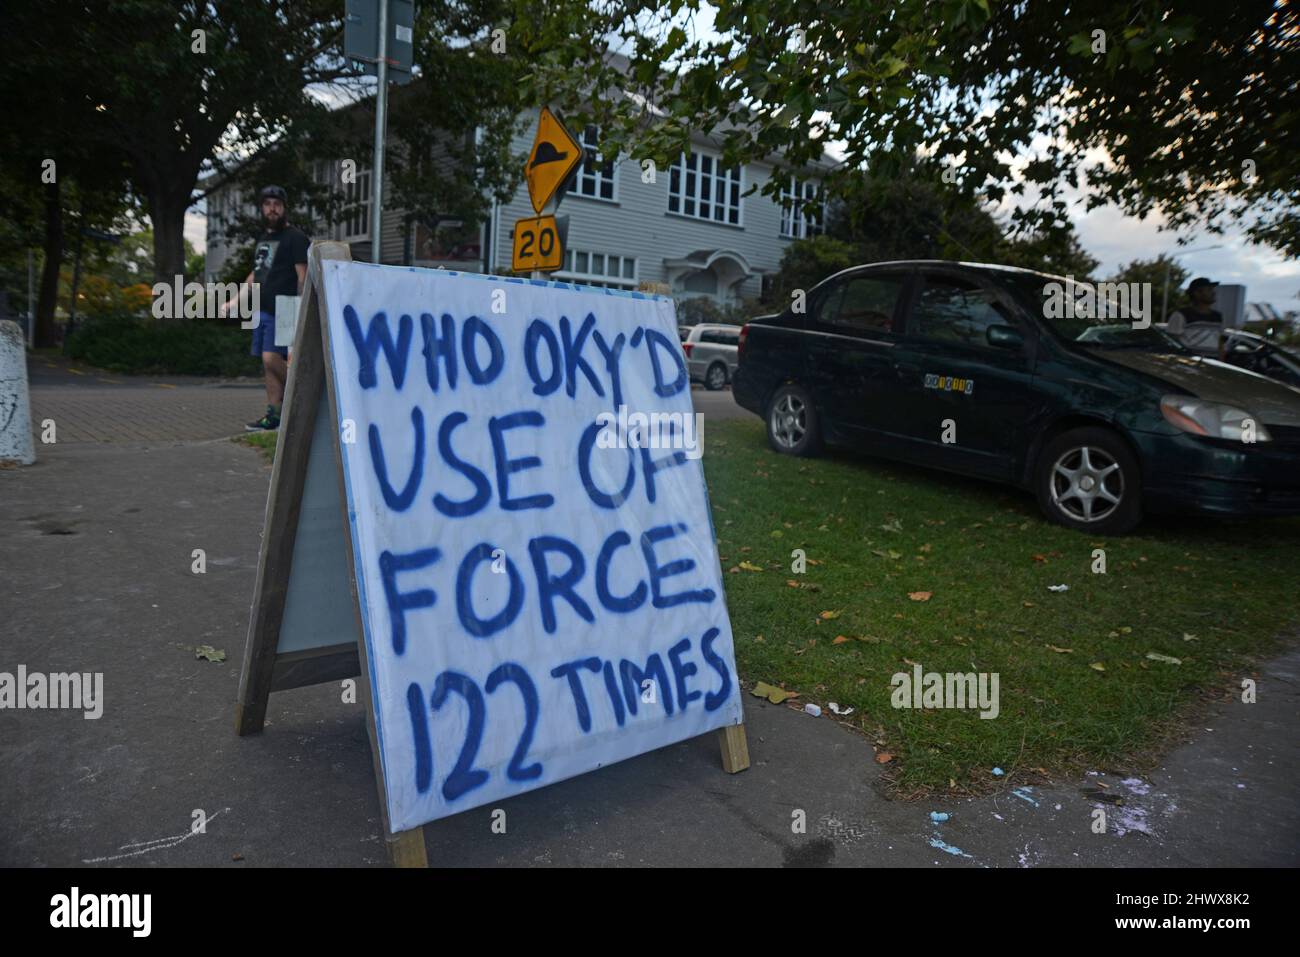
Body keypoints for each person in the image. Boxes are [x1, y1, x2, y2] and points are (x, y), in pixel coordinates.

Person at [220, 185, 310, 431]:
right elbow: (256, 275)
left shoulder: (295, 238)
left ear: (284, 209)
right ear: (262, 208)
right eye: (268, 204)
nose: (273, 209)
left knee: (272, 359)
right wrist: (235, 301)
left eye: (277, 205)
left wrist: (300, 307)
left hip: (286, 308)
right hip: (262, 309)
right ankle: (274, 416)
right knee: (267, 364)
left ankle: (303, 399)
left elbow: (303, 275)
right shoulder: (264, 240)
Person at [1165, 277, 1226, 357]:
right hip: (1189, 363)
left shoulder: (1218, 316)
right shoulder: (1181, 315)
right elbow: (1172, 342)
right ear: (1197, 293)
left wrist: (1220, 363)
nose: (1213, 293)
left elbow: (1220, 344)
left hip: (1212, 364)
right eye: (1209, 290)